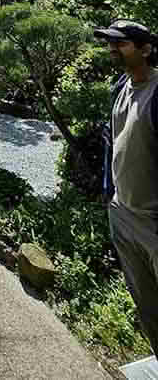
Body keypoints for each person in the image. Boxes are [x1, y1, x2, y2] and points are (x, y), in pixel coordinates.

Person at [96, 18, 158, 358]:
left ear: (146, 49)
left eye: (120, 43)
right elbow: (113, 142)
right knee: (147, 307)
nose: (111, 49)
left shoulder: (156, 93)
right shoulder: (119, 87)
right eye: (110, 43)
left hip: (153, 220)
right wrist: (110, 195)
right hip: (122, 214)